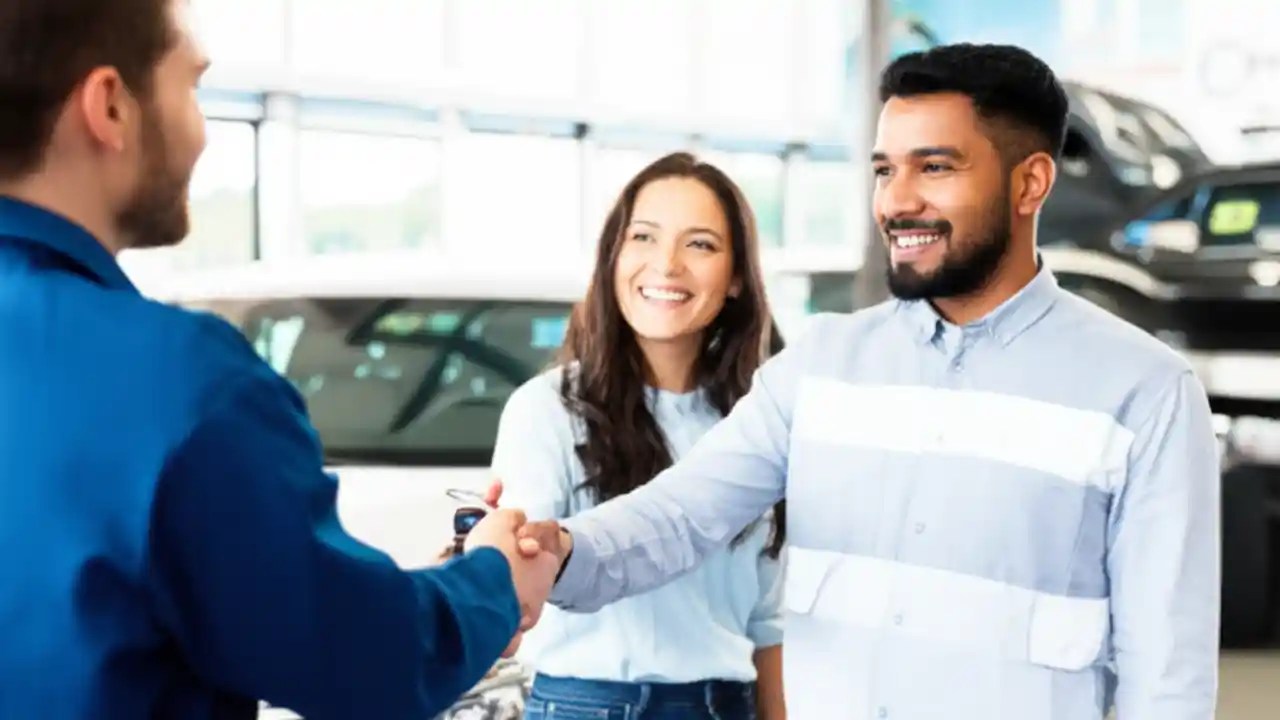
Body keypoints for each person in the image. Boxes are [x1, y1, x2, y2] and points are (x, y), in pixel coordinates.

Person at [504, 43, 1222, 719]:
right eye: (885, 170)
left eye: (934, 168)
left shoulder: (1143, 392)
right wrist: (560, 552)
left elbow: (1167, 678)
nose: (896, 202)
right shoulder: (821, 366)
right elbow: (680, 516)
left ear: (1030, 181)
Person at [0, 1, 558, 718]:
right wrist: (494, 577)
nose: (202, 135)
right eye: (192, 87)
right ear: (110, 106)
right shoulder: (179, 386)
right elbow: (367, 661)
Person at [490, 152, 787, 719]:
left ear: (737, 279)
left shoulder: (759, 421)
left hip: (728, 705)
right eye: (644, 237)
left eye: (699, 244)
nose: (667, 265)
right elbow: (519, 573)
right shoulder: (547, 411)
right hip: (587, 705)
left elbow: (769, 625)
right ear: (612, 258)